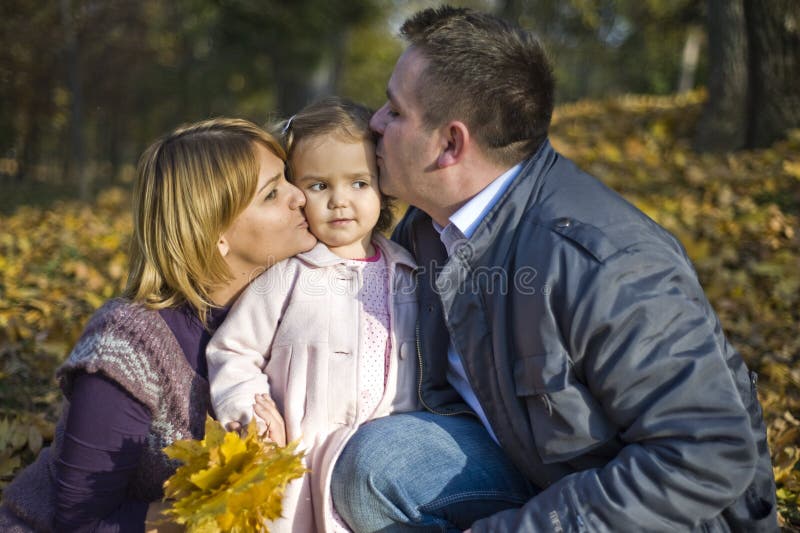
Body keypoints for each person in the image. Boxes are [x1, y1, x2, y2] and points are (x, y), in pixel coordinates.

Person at [330, 6, 778, 532]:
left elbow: (708, 452)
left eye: (395, 110)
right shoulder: (429, 228)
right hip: (528, 464)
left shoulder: (605, 262)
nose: (375, 123)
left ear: (451, 144)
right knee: (378, 465)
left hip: (655, 511)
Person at [0, 118, 316, 532]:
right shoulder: (128, 346)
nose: (300, 196)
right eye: (272, 193)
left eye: (289, 178)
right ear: (216, 232)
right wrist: (228, 497)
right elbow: (79, 523)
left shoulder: (296, 309)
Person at [206, 97, 420, 532]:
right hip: (300, 463)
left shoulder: (409, 272)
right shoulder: (287, 276)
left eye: (359, 183)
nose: (340, 201)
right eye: (319, 186)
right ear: (296, 190)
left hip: (383, 476)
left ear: (383, 185)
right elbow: (233, 349)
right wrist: (251, 416)